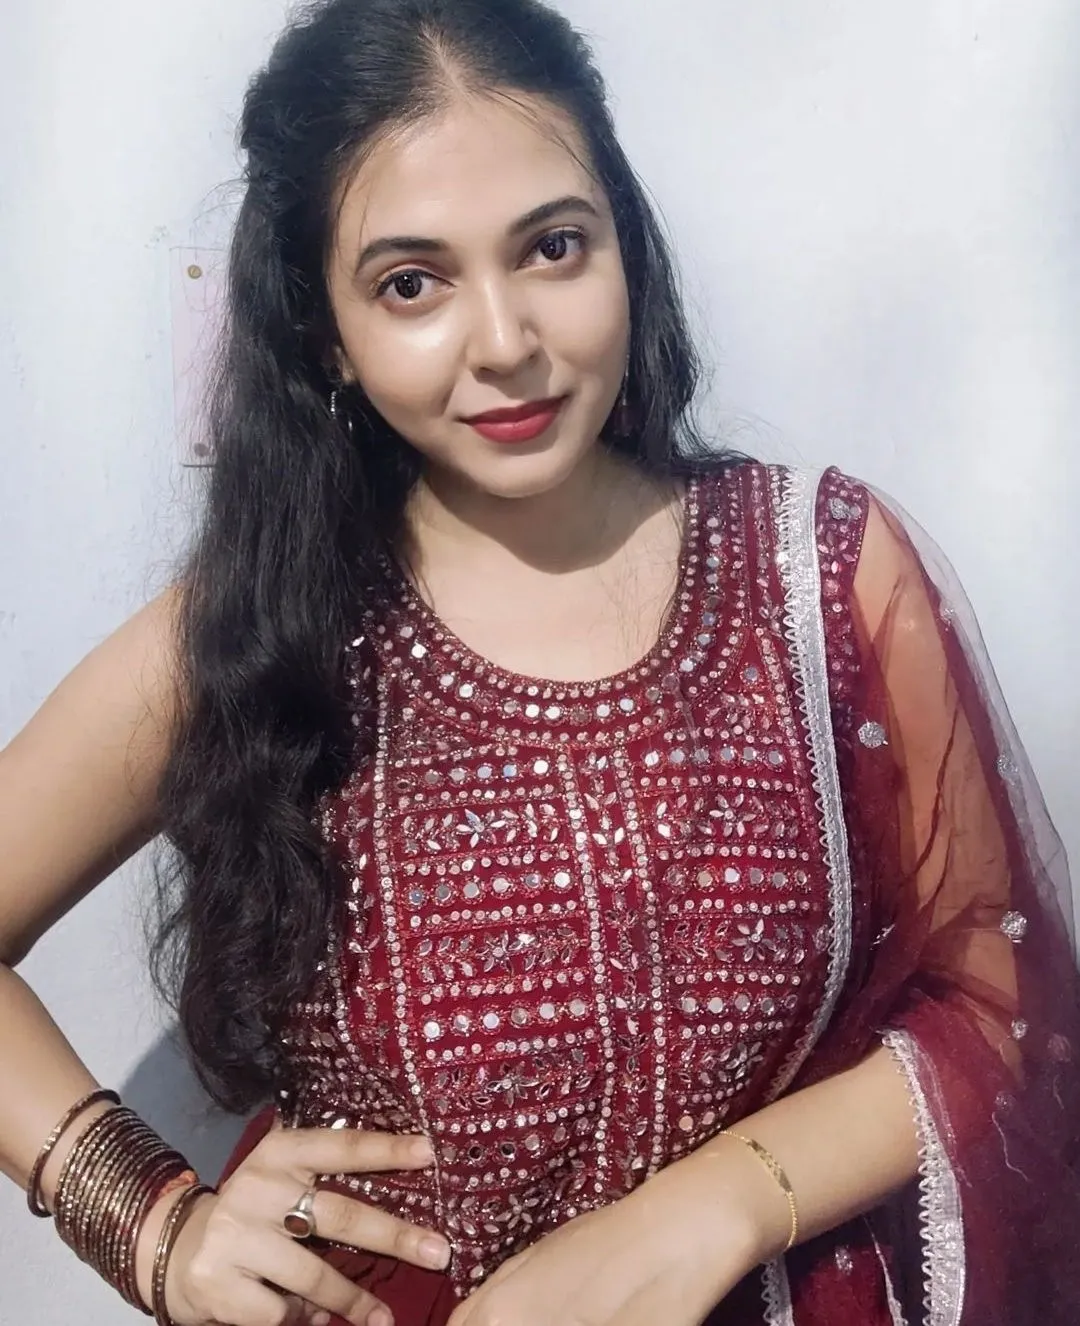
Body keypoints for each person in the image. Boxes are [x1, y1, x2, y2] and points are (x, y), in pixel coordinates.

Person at [2, 1, 1078, 1323]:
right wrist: (152, 1226)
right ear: (325, 331)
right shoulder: (260, 630)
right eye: (412, 283)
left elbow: (999, 996)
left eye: (552, 247)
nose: (507, 341)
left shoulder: (823, 573)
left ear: (625, 239)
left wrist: (721, 1202)